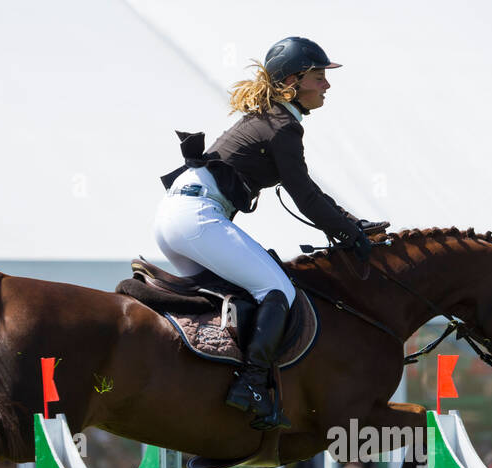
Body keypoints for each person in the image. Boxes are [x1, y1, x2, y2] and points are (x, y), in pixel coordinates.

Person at [155, 37, 379, 431]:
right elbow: (305, 195)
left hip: (176, 218)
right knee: (278, 291)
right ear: (293, 80)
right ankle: (252, 386)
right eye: (319, 75)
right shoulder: (282, 126)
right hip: (197, 218)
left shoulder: (269, 119)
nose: (327, 85)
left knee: (237, 298)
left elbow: (309, 193)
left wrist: (350, 223)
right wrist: (350, 234)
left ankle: (207, 385)